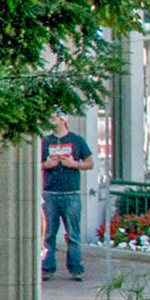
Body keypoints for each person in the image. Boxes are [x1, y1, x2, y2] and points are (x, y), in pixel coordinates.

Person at [40, 112, 93, 282]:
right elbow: (34, 165)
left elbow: (90, 163)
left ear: (63, 120)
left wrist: (74, 164)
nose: (51, 120)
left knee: (73, 233)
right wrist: (45, 165)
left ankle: (76, 268)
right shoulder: (45, 142)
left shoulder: (76, 141)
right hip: (50, 193)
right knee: (48, 233)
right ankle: (47, 268)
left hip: (71, 193)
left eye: (54, 117)